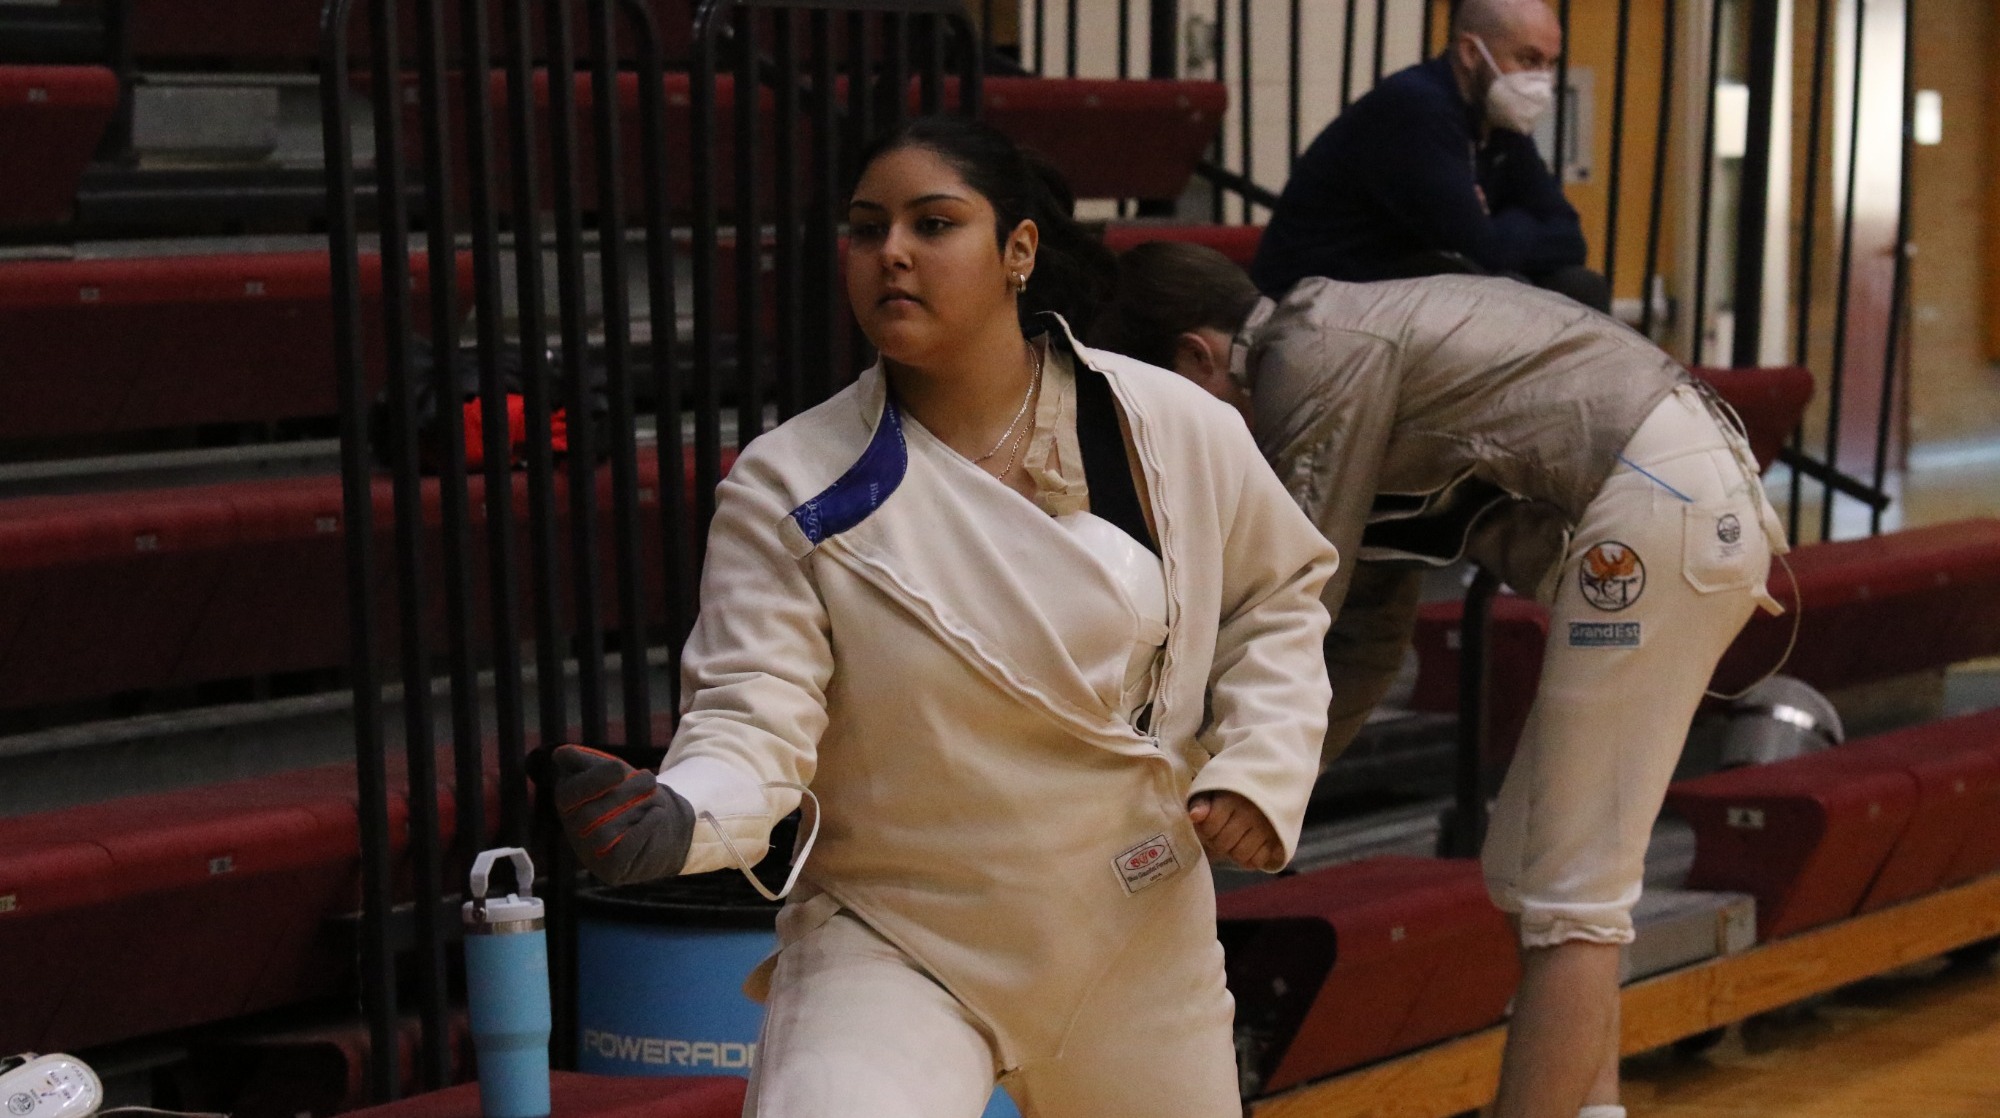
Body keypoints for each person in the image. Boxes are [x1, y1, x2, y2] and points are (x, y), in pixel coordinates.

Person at [551, 118, 1340, 1118]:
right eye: (864, 228)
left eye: (932, 223)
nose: (890, 253)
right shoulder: (787, 482)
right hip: (898, 934)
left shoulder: (1172, 425)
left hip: (1133, 924)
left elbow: (1276, 598)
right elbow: (752, 715)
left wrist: (1258, 768)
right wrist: (684, 816)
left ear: (1016, 250)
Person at [1090, 241, 1791, 1118]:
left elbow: (1289, 600)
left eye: (1157, 409)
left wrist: (1202, 773)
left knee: (1569, 900)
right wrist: (1262, 794)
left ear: (1197, 354)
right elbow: (1366, 640)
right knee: (1531, 868)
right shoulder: (1337, 370)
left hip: (1660, 515)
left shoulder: (1311, 357)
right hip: (1676, 513)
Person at [1250, 0, 1609, 313]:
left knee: (1579, 287)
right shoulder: (1417, 107)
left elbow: (1570, 237)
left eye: (1550, 64)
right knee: (1503, 290)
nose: (1541, 79)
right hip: (1319, 295)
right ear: (1470, 53)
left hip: (1399, 282)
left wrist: (1495, 225)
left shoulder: (1502, 119)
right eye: (1528, 59)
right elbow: (1483, 251)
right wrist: (1507, 224)